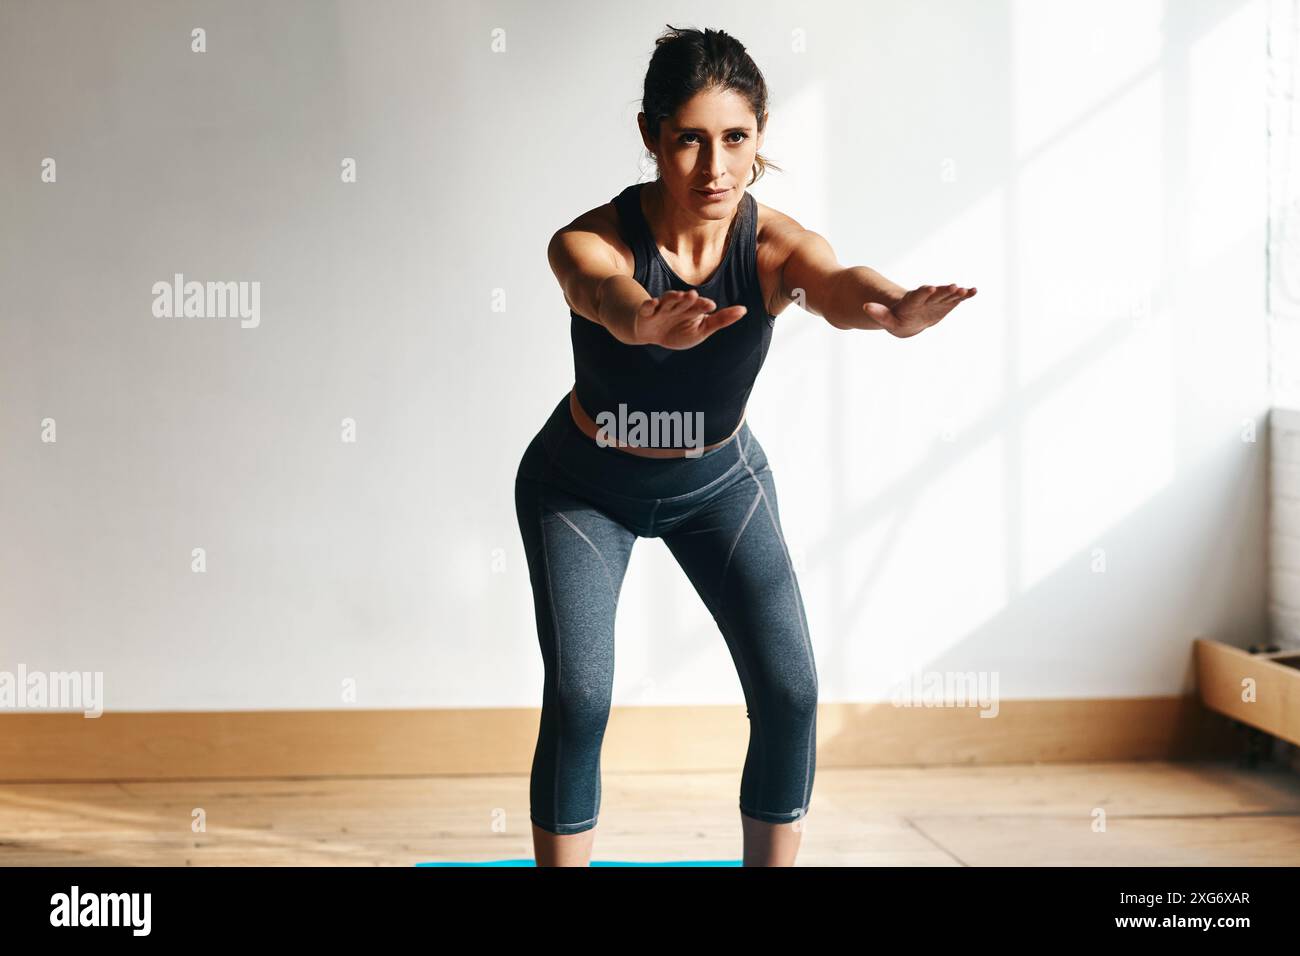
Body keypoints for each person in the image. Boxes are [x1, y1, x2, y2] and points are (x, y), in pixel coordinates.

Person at [514, 25, 976, 867]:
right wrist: (638, 318)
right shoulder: (594, 238)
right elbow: (595, 287)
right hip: (582, 486)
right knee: (581, 697)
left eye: (736, 139)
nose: (714, 167)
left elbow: (835, 284)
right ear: (652, 135)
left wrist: (891, 304)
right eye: (689, 139)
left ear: (760, 136)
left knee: (791, 692)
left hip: (718, 485)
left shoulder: (769, 245)